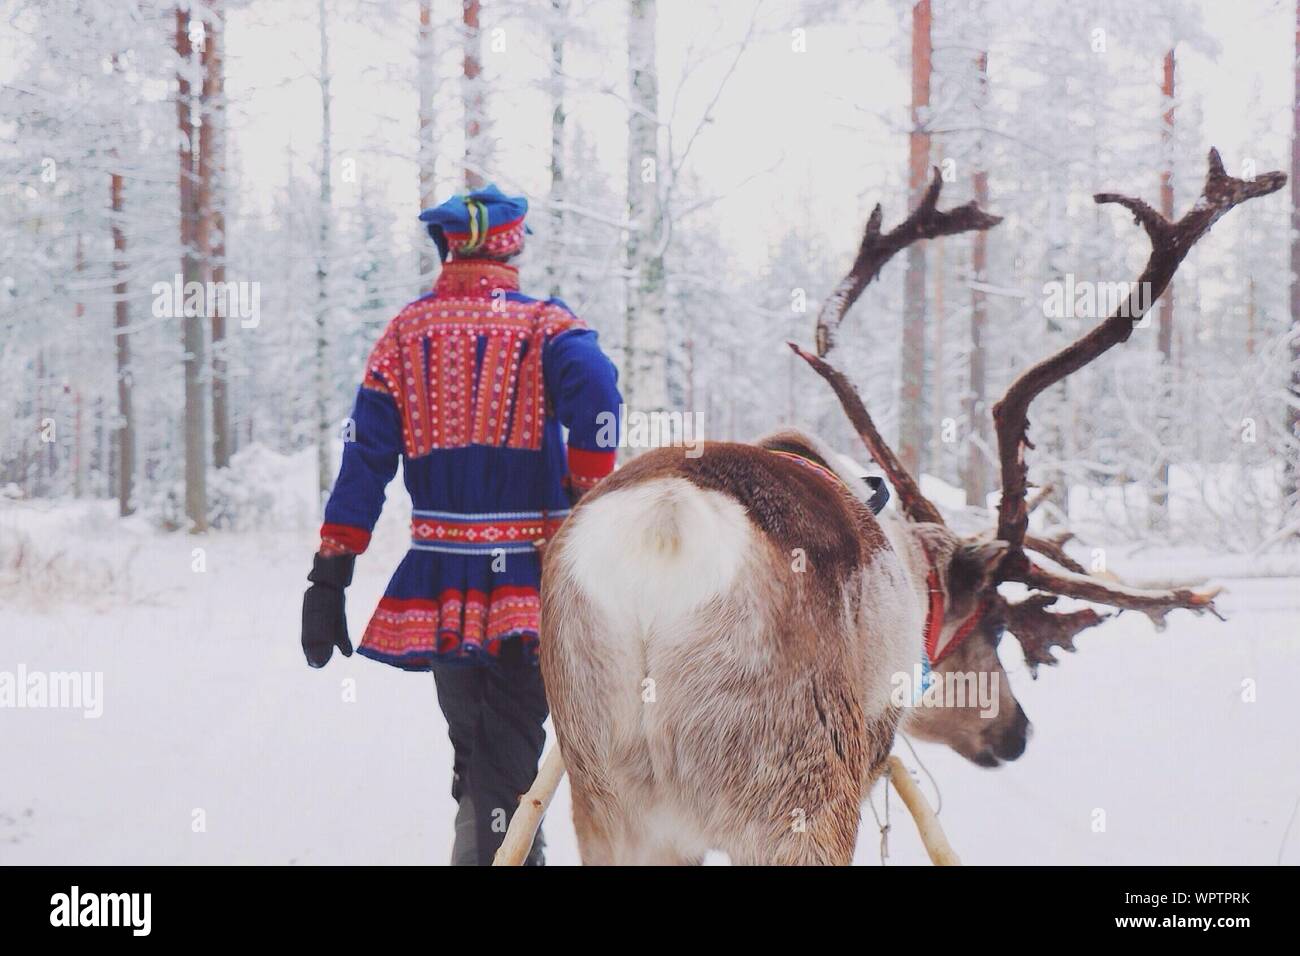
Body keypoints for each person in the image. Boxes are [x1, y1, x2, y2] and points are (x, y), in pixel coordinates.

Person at [299, 184, 622, 865]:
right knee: (499, 754)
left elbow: (366, 457)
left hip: (443, 581)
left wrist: (332, 571)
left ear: (446, 248)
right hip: (532, 582)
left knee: (484, 754)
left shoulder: (404, 332)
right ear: (512, 247)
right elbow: (596, 386)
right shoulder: (546, 326)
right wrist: (587, 496)